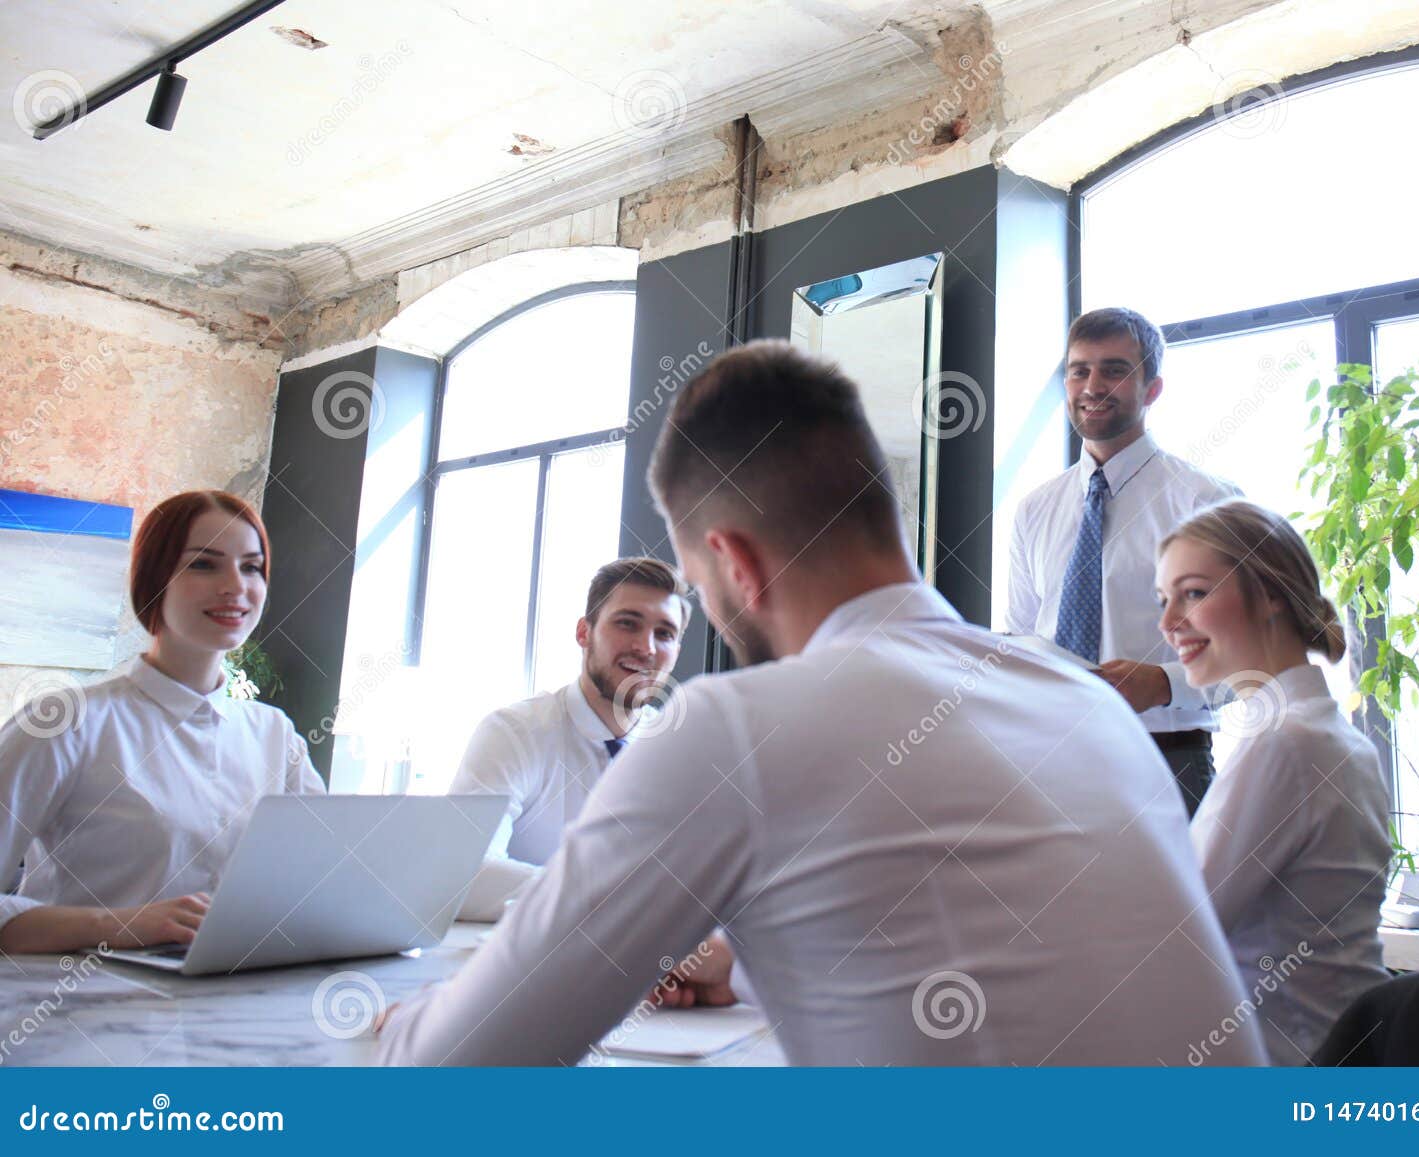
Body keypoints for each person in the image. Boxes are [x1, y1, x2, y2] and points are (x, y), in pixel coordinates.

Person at [376, 340, 1264, 1067]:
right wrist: (743, 968)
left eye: (696, 586)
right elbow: (1006, 949)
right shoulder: (1085, 700)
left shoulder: (728, 726)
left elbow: (452, 1070)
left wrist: (394, 1030)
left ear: (735, 562)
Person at [0, 490, 325, 955]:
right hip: (78, 1008)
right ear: (155, 580)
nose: (236, 586)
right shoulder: (66, 724)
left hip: (236, 1004)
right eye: (203, 564)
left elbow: (326, 879)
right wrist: (121, 924)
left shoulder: (275, 735)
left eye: (251, 566)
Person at [1157, 499, 1390, 1064]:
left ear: (1270, 595)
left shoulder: (1285, 745)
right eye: (1164, 601)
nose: (1168, 624)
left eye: (1193, 593)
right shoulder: (1339, 740)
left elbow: (1180, 934)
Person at [1008, 306, 1240, 815]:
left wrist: (1163, 685)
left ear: (1151, 389)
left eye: (1114, 370)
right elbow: (1022, 640)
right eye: (1079, 370)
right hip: (1047, 757)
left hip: (1165, 761)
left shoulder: (1207, 503)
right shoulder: (1034, 510)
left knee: (1174, 900)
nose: (1093, 385)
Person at [448, 557, 689, 920]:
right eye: (628, 623)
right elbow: (462, 874)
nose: (646, 648)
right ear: (584, 633)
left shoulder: (679, 749)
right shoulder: (513, 733)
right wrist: (602, 901)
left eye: (664, 634)